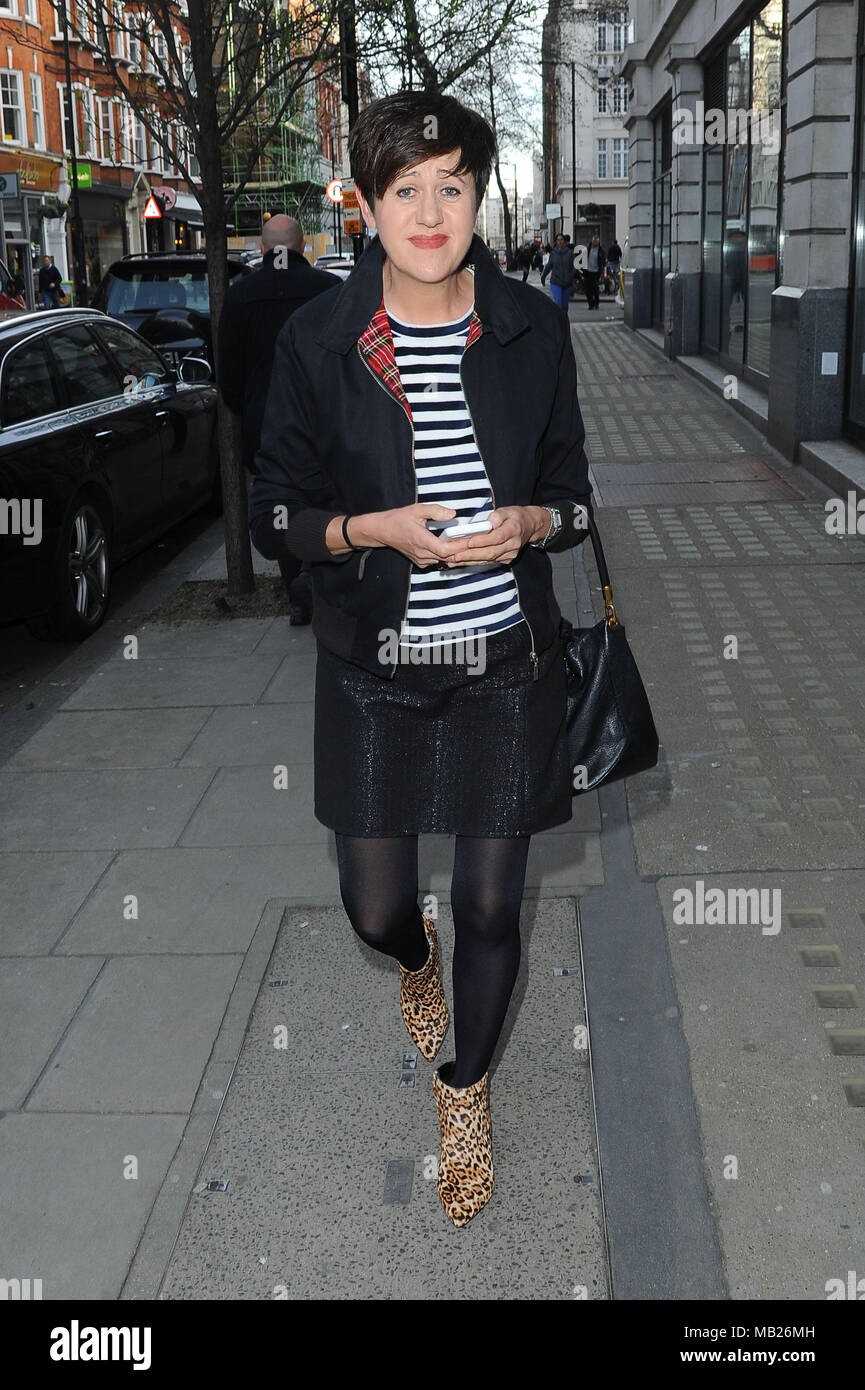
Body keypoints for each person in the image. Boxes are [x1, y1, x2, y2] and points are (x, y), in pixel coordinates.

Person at [249, 90, 593, 1229]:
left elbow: (576, 500)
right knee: (374, 906)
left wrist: (531, 523)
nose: (431, 210)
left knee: (495, 905)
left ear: (478, 194)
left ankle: (465, 1089)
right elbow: (276, 516)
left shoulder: (533, 327)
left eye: (452, 184)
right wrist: (370, 530)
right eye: (406, 188)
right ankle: (414, 956)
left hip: (503, 663)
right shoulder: (319, 340)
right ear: (366, 203)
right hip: (371, 668)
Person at [217, 215, 340, 623]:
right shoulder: (330, 290)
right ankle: (319, 576)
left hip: (264, 419)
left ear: (264, 249)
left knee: (280, 504)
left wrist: (246, 407)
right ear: (303, 248)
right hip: (325, 416)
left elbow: (228, 373)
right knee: (326, 496)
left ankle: (299, 591)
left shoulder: (240, 295)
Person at [540, 231, 578, 314]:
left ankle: (564, 321)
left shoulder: (570, 253)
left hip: (567, 283)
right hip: (556, 281)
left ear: (564, 241)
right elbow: (549, 266)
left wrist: (570, 276)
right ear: (556, 242)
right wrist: (543, 276)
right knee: (558, 302)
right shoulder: (553, 253)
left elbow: (575, 267)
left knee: (564, 305)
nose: (559, 242)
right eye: (558, 240)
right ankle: (558, 321)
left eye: (561, 240)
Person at [583, 233, 606, 310]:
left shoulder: (601, 251)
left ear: (598, 242)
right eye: (593, 241)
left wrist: (603, 272)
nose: (594, 243)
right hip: (588, 272)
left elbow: (603, 262)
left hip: (596, 272)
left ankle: (596, 303)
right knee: (588, 289)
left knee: (595, 289)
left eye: (596, 241)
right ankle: (590, 304)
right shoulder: (588, 249)